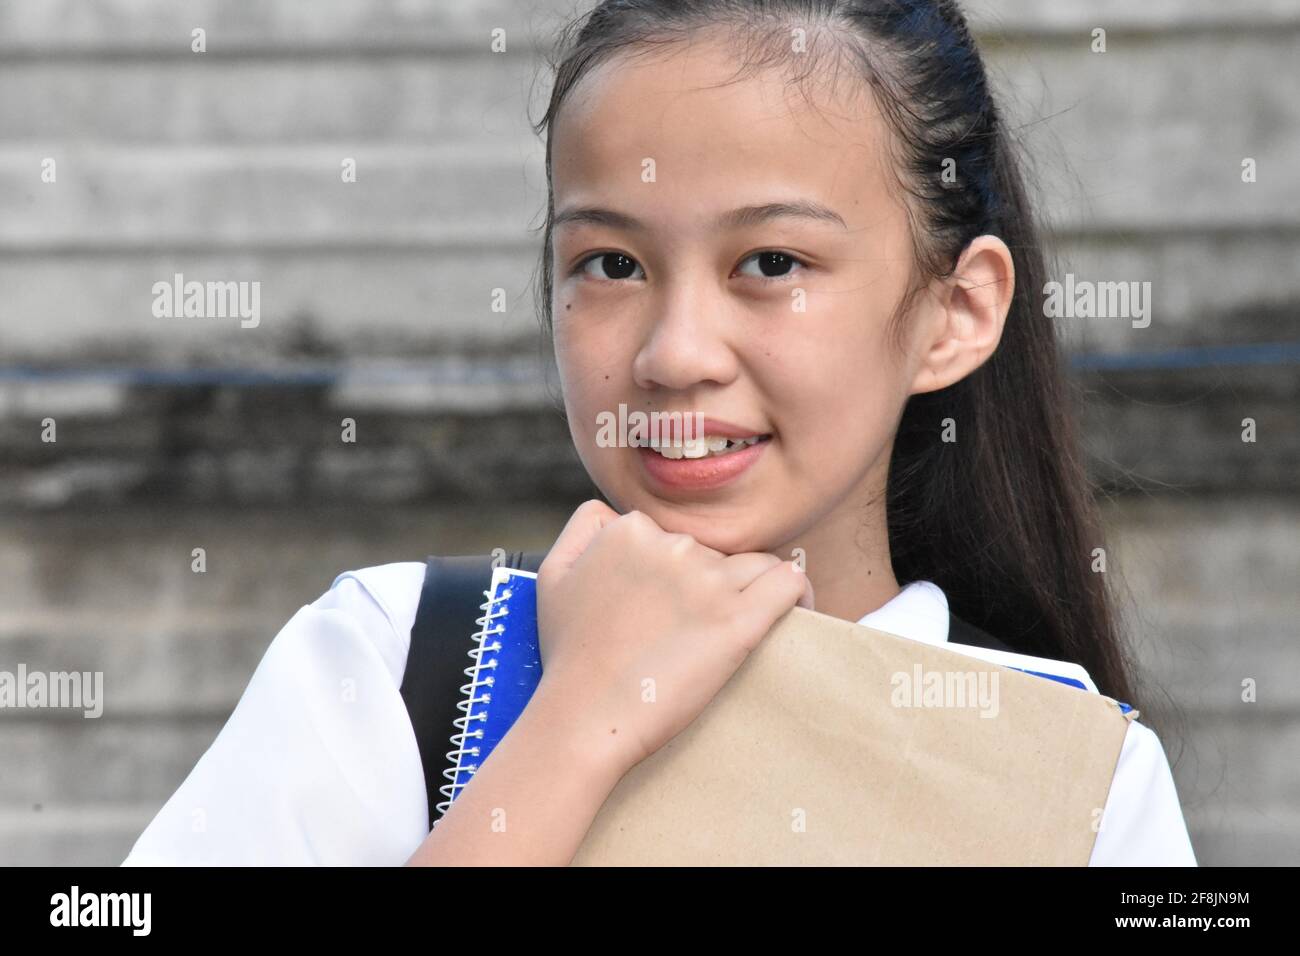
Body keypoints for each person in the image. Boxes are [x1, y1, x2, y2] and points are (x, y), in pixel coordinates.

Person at [123, 0, 1197, 866]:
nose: (676, 352)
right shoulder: (396, 660)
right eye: (612, 264)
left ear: (954, 314)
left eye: (771, 263)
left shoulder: (1080, 781)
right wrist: (577, 723)